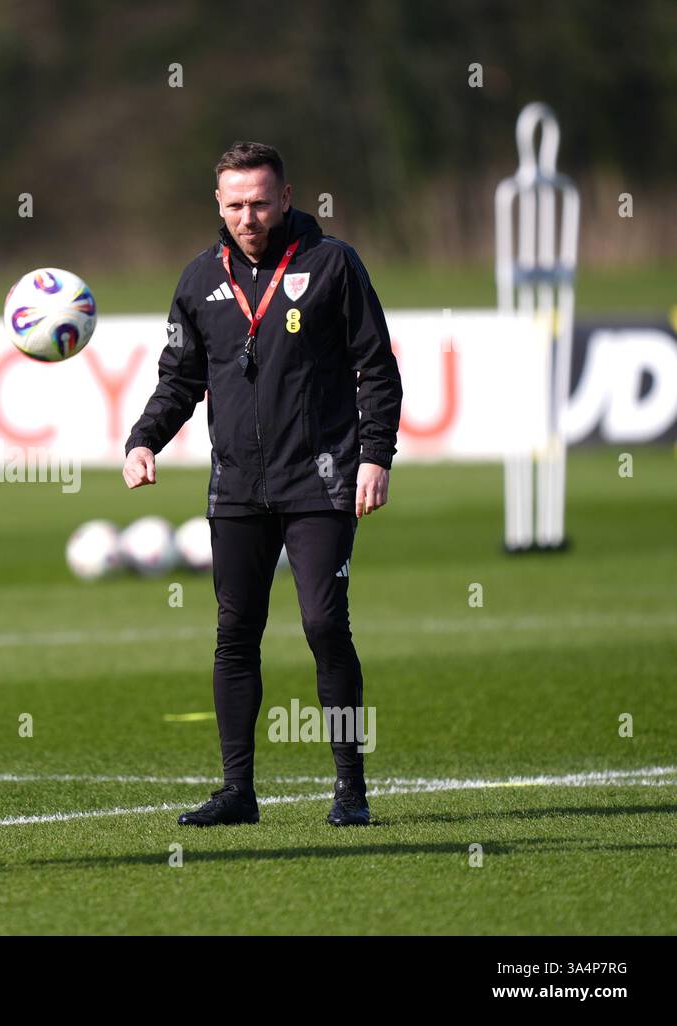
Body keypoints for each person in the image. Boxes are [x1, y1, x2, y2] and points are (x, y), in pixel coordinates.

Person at [123, 141, 402, 827]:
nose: (249, 216)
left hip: (322, 479)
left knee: (322, 625)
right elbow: (180, 379)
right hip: (239, 487)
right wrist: (143, 439)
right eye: (235, 204)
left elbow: (376, 367)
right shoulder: (198, 282)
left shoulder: (332, 264)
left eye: (260, 202)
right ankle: (238, 792)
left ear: (286, 197)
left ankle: (351, 790)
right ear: (218, 205)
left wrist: (375, 455)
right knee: (235, 633)